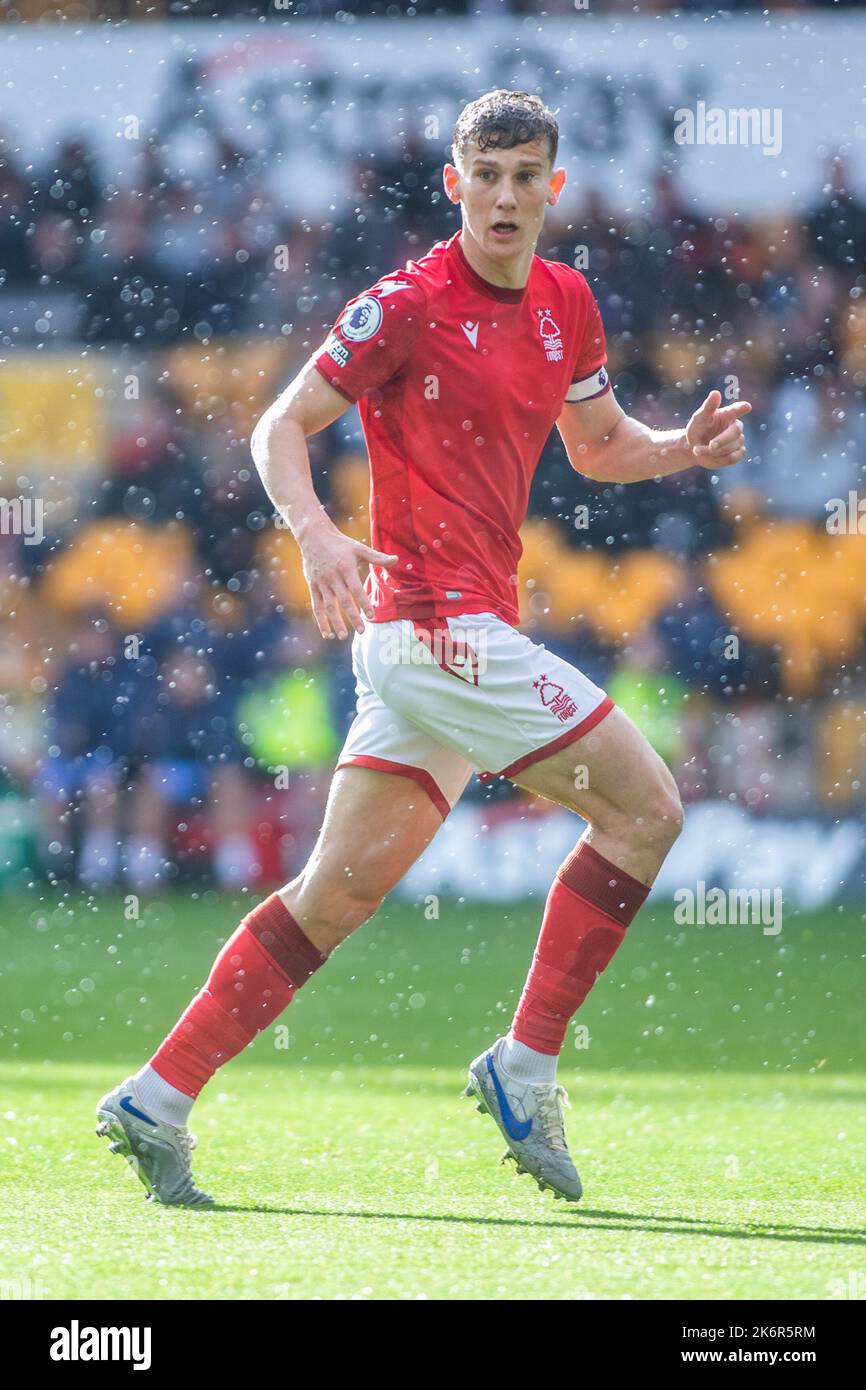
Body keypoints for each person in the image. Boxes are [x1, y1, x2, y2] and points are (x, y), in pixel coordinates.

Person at [96, 90, 750, 1208]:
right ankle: (524, 1064)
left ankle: (157, 1096)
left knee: (330, 899)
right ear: (453, 185)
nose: (503, 195)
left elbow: (596, 448)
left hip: (439, 650)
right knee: (645, 810)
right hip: (437, 632)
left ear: (553, 186)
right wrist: (314, 537)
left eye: (523, 174)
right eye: (483, 174)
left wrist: (676, 452)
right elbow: (277, 427)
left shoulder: (567, 303)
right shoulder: (405, 303)